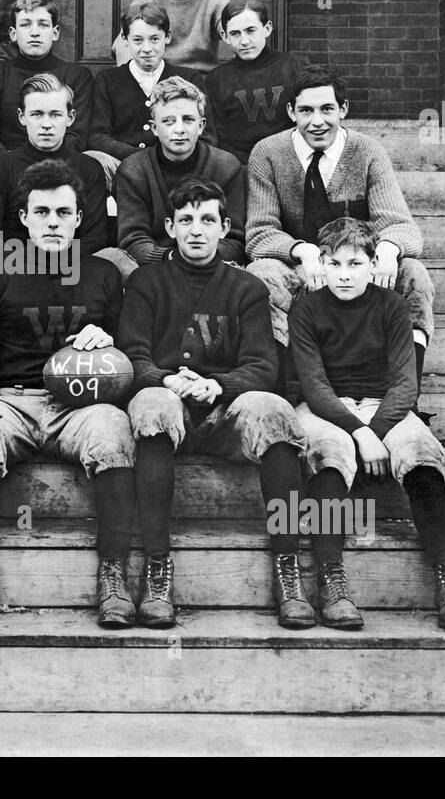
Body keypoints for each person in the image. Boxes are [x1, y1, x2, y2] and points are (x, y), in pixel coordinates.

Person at [0, 159, 138, 629]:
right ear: (24, 217)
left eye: (63, 212)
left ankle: (113, 575)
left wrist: (109, 343)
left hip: (82, 403)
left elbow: (132, 348)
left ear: (78, 218)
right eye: (42, 212)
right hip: (13, 398)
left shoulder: (104, 274)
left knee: (114, 433)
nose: (53, 222)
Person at [119, 179, 310, 628]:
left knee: (275, 412)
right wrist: (168, 380)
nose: (196, 231)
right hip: (171, 404)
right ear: (169, 226)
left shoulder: (246, 287)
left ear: (225, 227)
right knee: (152, 404)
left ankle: (288, 567)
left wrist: (216, 385)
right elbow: (132, 355)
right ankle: (157, 568)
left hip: (226, 411)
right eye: (185, 221)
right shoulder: (147, 282)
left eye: (208, 220)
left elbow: (263, 365)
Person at [288, 217, 445, 631]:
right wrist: (359, 431)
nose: (344, 274)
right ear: (321, 263)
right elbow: (315, 387)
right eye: (334, 264)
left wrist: (378, 428)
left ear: (373, 264)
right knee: (328, 452)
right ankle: (331, 578)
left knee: (421, 453)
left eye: (355, 264)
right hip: (327, 408)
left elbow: (406, 383)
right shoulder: (306, 309)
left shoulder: (390, 306)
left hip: (383, 405)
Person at [245, 64, 436, 399]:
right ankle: (288, 392)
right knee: (263, 274)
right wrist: (302, 251)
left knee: (414, 274)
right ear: (291, 112)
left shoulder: (367, 151)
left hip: (356, 266)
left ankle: (405, 394)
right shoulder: (268, 153)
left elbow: (401, 225)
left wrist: (388, 249)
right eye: (306, 110)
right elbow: (260, 233)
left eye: (327, 109)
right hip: (301, 268)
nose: (317, 121)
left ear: (343, 110)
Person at [110, 76, 247, 279]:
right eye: (168, 121)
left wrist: (198, 258)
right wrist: (174, 258)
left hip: (211, 263)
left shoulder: (225, 166)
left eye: (188, 120)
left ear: (201, 126)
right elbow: (133, 240)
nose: (179, 129)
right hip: (154, 265)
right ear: (154, 128)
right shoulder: (133, 169)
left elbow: (234, 240)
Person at [0, 74, 111, 263]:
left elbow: (95, 239)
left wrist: (54, 261)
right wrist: (34, 262)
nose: (46, 124)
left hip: (73, 269)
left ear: (70, 117)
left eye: (55, 114)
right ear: (22, 117)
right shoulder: (1, 167)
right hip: (16, 270)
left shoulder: (89, 168)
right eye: (36, 114)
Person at [88, 1, 206, 184]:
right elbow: (98, 137)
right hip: (124, 165)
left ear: (167, 37)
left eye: (154, 39)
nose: (147, 49)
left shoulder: (189, 79)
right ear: (125, 39)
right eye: (137, 40)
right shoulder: (108, 80)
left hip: (177, 163)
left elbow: (207, 135)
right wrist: (140, 158)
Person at [0, 0, 95, 160]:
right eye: (25, 25)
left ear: (55, 33)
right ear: (13, 34)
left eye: (43, 24)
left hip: (61, 161)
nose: (34, 32)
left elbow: (77, 134)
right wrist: (9, 161)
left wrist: (45, 162)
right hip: (5, 160)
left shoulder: (77, 76)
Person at [203, 0, 310, 167]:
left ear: (267, 28)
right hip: (240, 168)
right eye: (235, 33)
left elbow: (308, 122)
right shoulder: (217, 79)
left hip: (292, 162)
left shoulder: (295, 67)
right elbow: (219, 138)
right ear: (224, 36)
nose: (244, 41)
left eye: (250, 30)